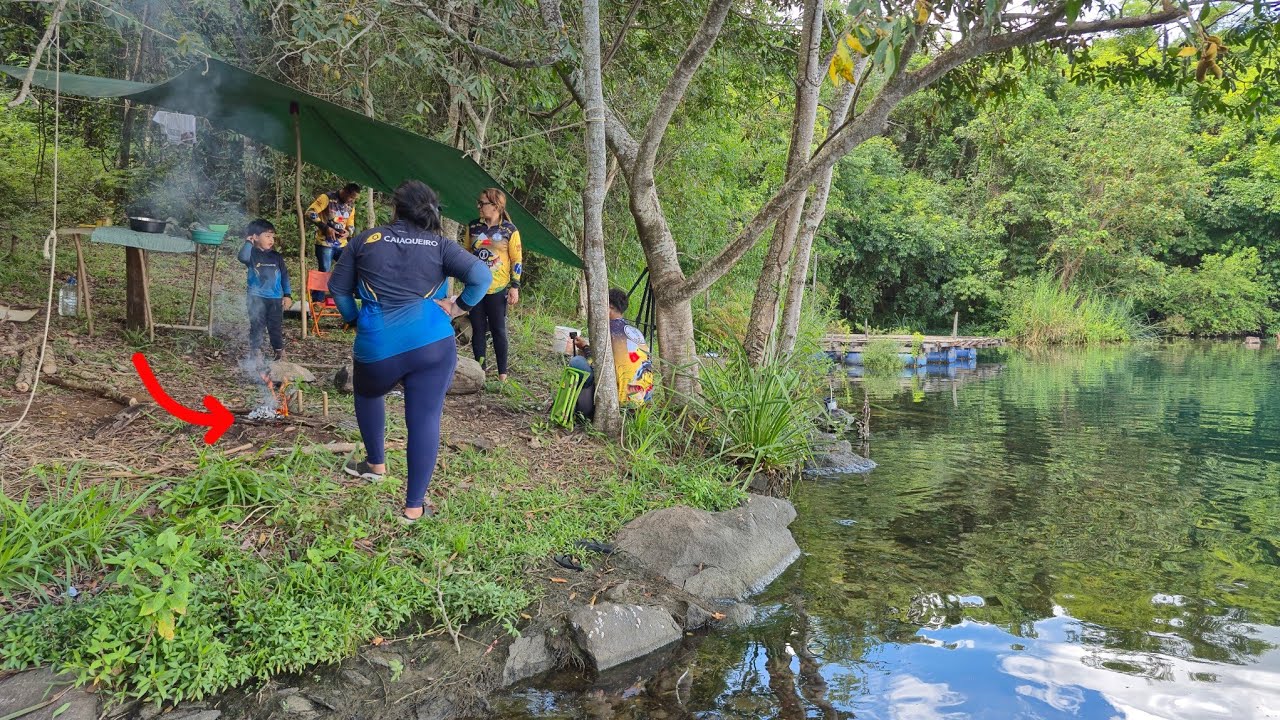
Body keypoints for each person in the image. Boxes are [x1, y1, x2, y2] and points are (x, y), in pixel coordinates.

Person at [328, 180, 491, 523]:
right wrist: (458, 306)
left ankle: (375, 465)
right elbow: (481, 276)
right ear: (430, 212)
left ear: (395, 209)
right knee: (425, 419)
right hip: (432, 344)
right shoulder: (440, 245)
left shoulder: (366, 240)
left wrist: (356, 320)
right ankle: (414, 508)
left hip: (378, 346)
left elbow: (338, 288)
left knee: (368, 394)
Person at [464, 188, 523, 382]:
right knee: (477, 329)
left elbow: (517, 259)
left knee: (498, 330)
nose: (479, 207)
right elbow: (465, 254)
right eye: (478, 203)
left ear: (496, 206)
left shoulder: (509, 230)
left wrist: (515, 286)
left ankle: (502, 374)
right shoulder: (473, 227)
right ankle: (479, 371)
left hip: (497, 289)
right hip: (475, 288)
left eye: (483, 204)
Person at [569, 288, 655, 419]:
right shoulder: (636, 332)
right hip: (642, 399)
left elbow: (596, 363)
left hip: (620, 399)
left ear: (609, 307)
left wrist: (585, 347)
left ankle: (584, 409)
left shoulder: (606, 330)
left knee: (577, 363)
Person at [237, 219, 293, 361]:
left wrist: (287, 295)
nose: (271, 240)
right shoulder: (252, 255)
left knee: (275, 327)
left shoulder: (276, 256)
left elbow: (284, 276)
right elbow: (242, 257)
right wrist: (249, 242)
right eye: (267, 236)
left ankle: (279, 352)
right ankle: (255, 353)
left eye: (272, 236)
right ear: (255, 237)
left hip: (275, 298)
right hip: (255, 297)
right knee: (257, 325)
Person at [306, 182, 361, 303]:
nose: (351, 200)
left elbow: (350, 223)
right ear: (345, 191)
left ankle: (355, 298)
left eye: (354, 198)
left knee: (352, 267)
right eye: (351, 197)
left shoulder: (351, 205)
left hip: (342, 244)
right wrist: (325, 228)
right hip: (325, 243)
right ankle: (317, 301)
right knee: (324, 269)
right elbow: (310, 212)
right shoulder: (327, 198)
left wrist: (348, 232)